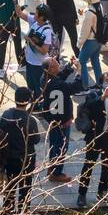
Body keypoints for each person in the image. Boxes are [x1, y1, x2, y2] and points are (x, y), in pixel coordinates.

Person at [77, 74, 108, 207]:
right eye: (106, 81)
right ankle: (82, 194)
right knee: (88, 165)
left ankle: (102, 193)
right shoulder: (94, 94)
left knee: (106, 167)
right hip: (94, 136)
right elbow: (89, 107)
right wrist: (103, 97)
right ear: (101, 83)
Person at [0, 88, 44, 212]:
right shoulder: (30, 120)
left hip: (9, 158)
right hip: (26, 159)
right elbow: (36, 140)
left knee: (10, 188)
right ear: (28, 101)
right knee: (25, 190)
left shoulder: (6, 115)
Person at [39, 56, 83, 184]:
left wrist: (69, 67)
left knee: (54, 145)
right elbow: (76, 87)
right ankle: (56, 173)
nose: (60, 65)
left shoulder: (45, 79)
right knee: (61, 147)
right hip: (62, 121)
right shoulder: (59, 85)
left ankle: (52, 168)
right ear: (51, 69)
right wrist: (79, 71)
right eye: (57, 64)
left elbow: (60, 77)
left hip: (52, 119)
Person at [76, 0, 108, 87]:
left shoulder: (89, 13)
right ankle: (100, 84)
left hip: (90, 41)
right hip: (98, 39)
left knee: (82, 62)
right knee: (95, 61)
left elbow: (84, 32)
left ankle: (84, 86)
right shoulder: (99, 6)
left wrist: (79, 43)